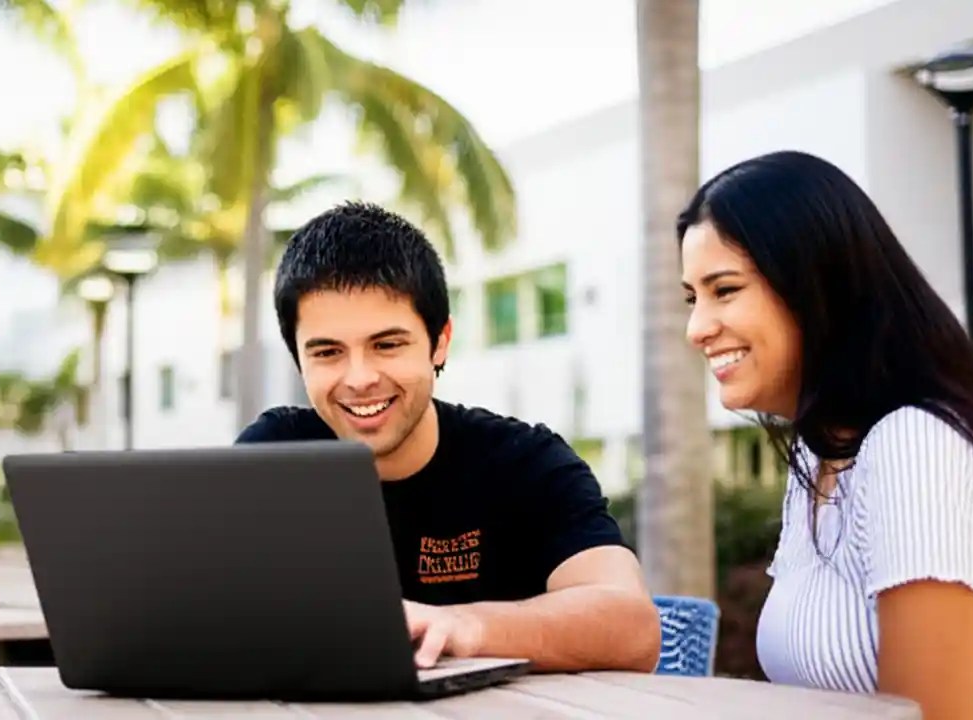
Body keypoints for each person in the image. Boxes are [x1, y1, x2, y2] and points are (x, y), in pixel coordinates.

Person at [677, 150, 973, 720]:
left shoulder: (916, 446)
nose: (697, 328)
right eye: (693, 297)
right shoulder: (819, 460)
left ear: (817, 285)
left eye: (726, 289)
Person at [236, 201, 660, 673]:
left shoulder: (525, 462)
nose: (358, 378)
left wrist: (464, 627)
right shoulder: (272, 457)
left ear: (440, 341)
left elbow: (633, 628)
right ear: (299, 359)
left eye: (387, 345)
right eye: (328, 352)